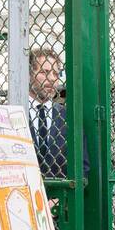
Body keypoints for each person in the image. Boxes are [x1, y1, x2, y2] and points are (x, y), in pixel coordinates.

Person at [29, 48, 73, 181]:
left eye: (56, 74)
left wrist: (61, 198)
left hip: (59, 198)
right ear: (29, 74)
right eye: (44, 72)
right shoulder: (13, 112)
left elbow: (82, 166)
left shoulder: (68, 117)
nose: (52, 78)